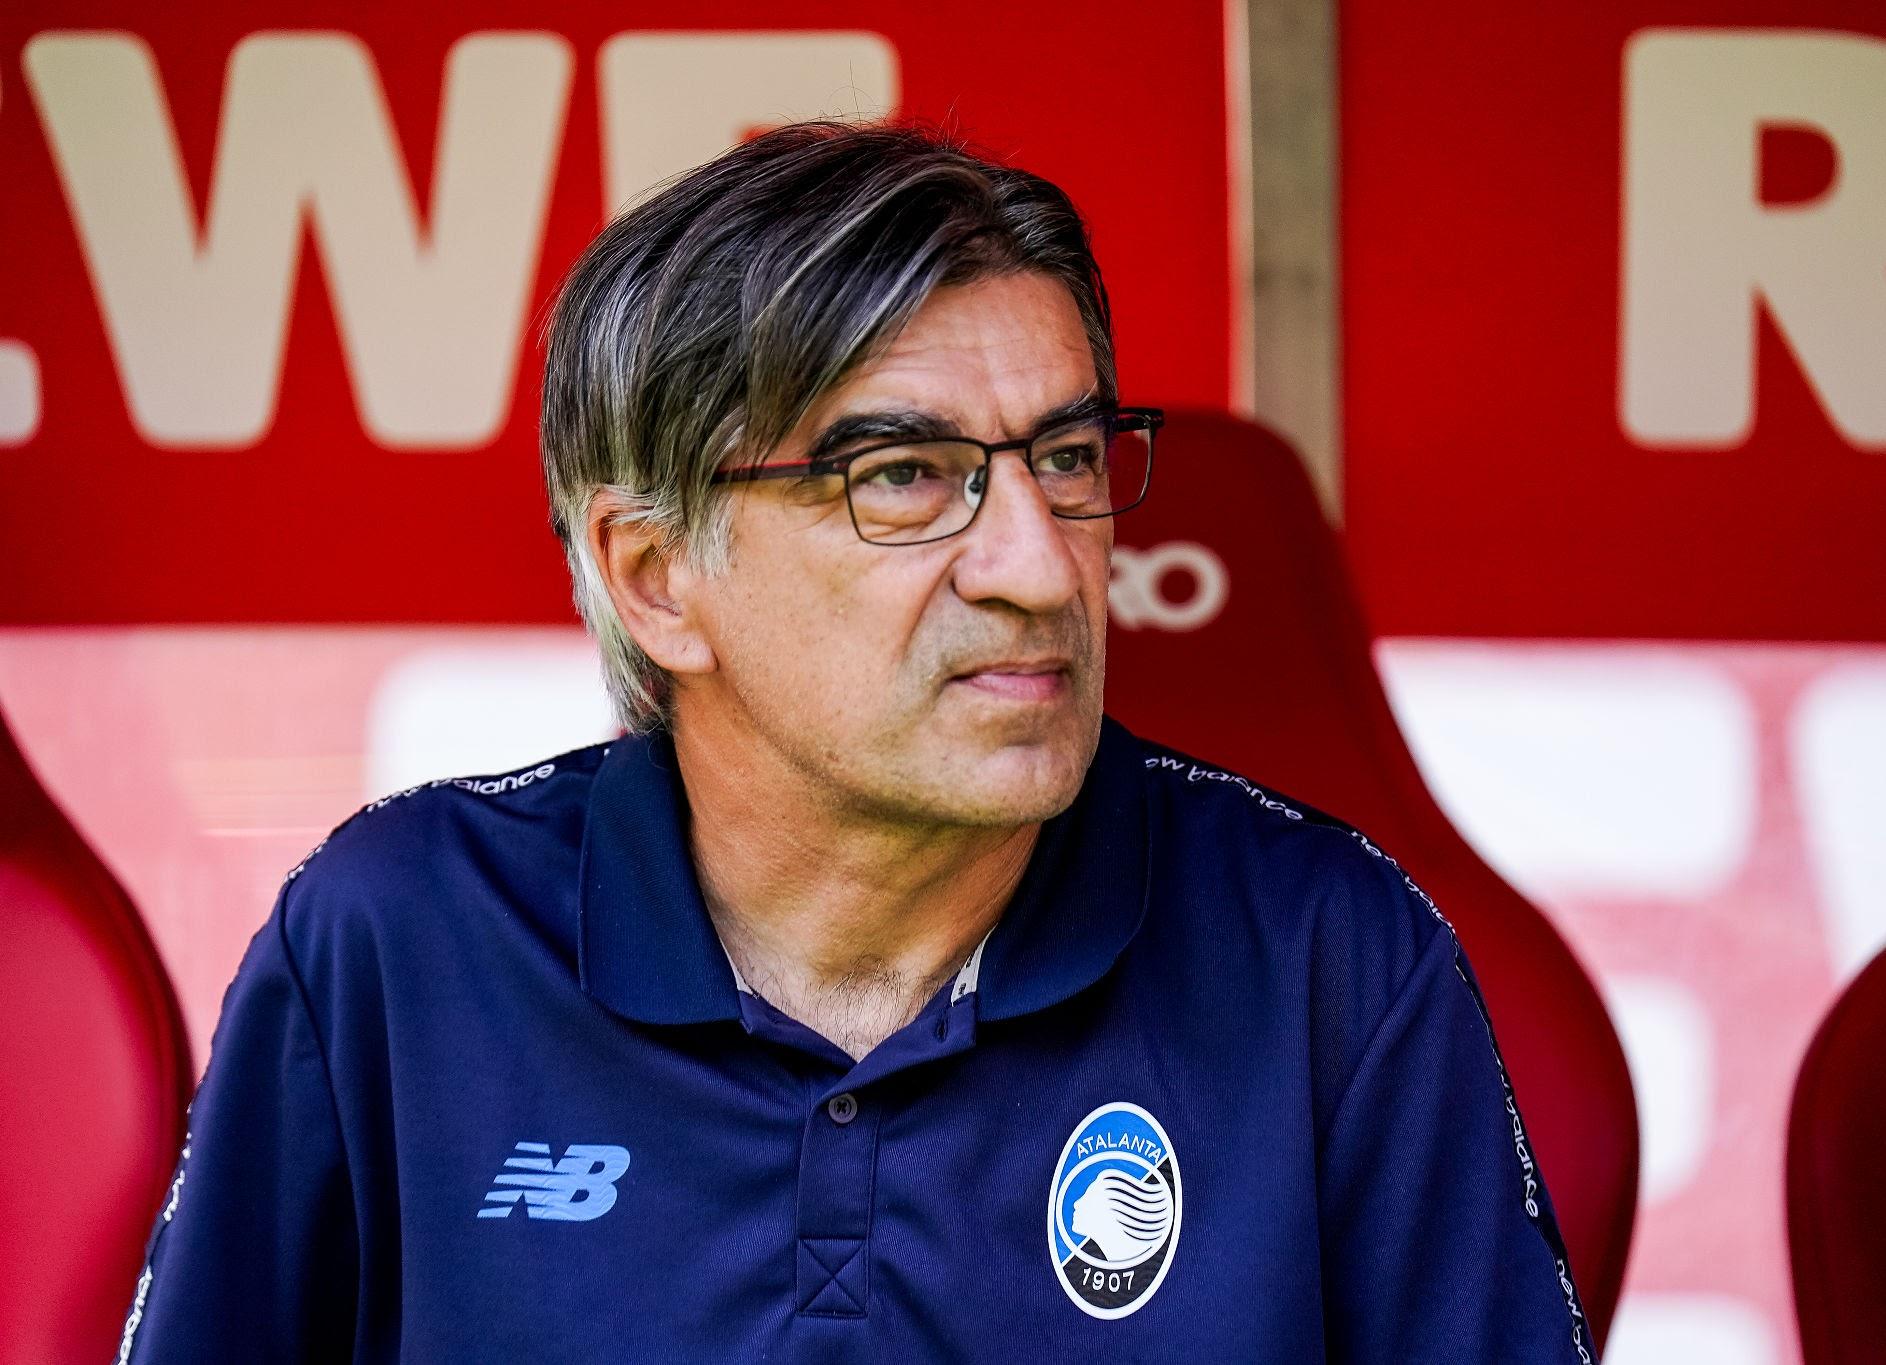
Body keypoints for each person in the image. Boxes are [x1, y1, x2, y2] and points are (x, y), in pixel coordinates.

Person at [118, 121, 1595, 1362]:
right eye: (903, 476)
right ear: (656, 576)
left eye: (1067, 458)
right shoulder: (400, 940)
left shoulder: (1329, 955)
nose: (1042, 563)